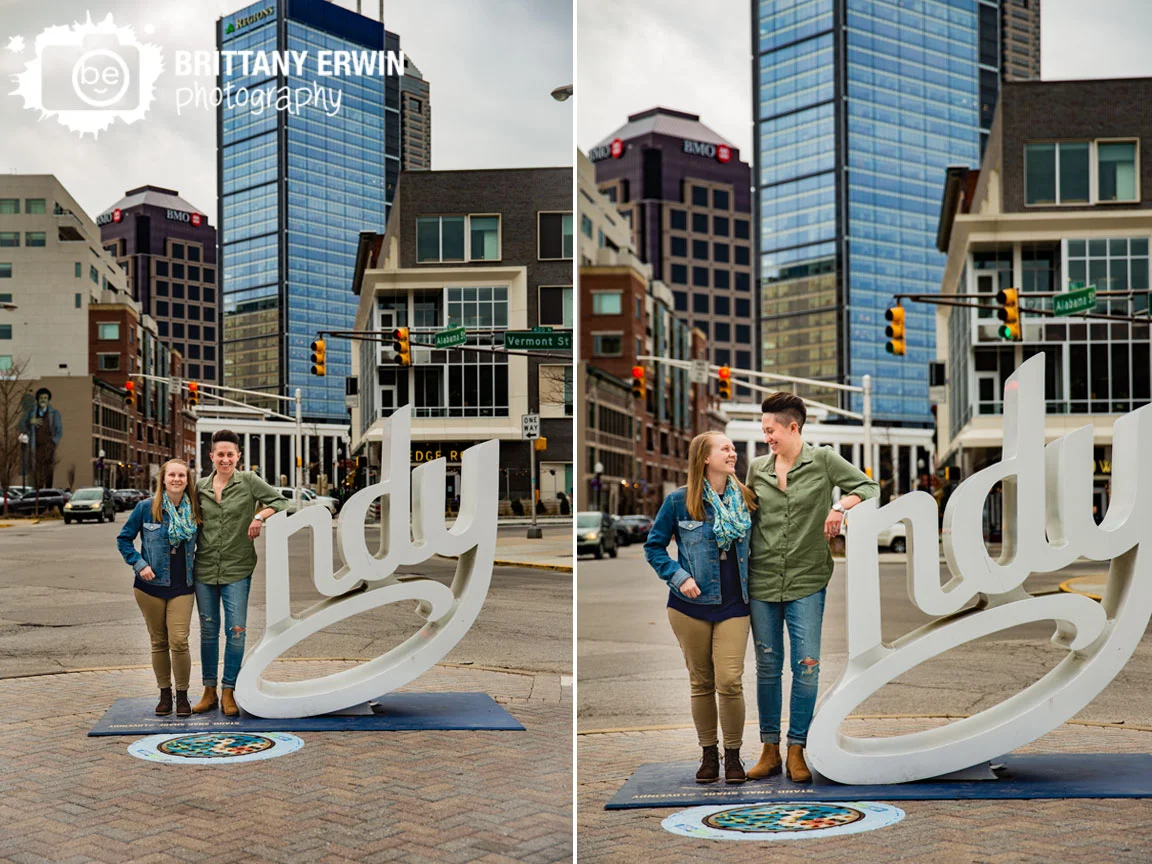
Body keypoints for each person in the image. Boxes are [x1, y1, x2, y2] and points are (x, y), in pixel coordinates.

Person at [743, 392, 878, 783]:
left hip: (807, 579)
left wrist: (840, 506)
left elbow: (869, 488)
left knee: (806, 667)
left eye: (771, 430)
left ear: (793, 427)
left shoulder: (823, 460)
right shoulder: (757, 468)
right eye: (763, 430)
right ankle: (768, 749)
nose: (767, 436)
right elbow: (748, 519)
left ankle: (796, 749)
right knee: (768, 667)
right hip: (762, 581)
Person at [644, 432, 758, 784]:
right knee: (701, 682)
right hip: (689, 606)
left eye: (733, 448)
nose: (733, 453)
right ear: (705, 458)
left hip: (734, 605)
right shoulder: (679, 501)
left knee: (730, 681)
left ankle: (734, 756)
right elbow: (654, 547)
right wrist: (679, 577)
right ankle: (709, 755)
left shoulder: (746, 498)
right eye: (725, 448)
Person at [192, 430, 288, 716]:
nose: (225, 459)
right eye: (219, 454)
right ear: (211, 456)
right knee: (208, 631)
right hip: (205, 568)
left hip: (238, 567)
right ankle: (208, 690)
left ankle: (228, 691)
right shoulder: (199, 487)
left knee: (235, 631)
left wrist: (259, 516)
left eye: (230, 454)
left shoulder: (248, 481)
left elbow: (281, 502)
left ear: (238, 457)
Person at [116, 459, 201, 717]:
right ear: (163, 480)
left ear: (188, 481)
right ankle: (165, 694)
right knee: (159, 641)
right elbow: (124, 539)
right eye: (172, 475)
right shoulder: (145, 508)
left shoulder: (195, 510)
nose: (176, 479)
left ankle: (183, 695)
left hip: (182, 586)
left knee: (179, 641)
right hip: (149, 587)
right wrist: (139, 563)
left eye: (181, 476)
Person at [18, 387, 63, 489]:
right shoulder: (32, 413)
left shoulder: (54, 414)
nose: (43, 399)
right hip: (36, 446)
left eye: (45, 398)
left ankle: (48, 489)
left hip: (48, 446)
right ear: (37, 399)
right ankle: (38, 490)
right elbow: (23, 426)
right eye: (41, 397)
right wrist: (30, 422)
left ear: (48, 399)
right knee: (36, 468)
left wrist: (53, 443)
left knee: (48, 468)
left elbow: (59, 431)